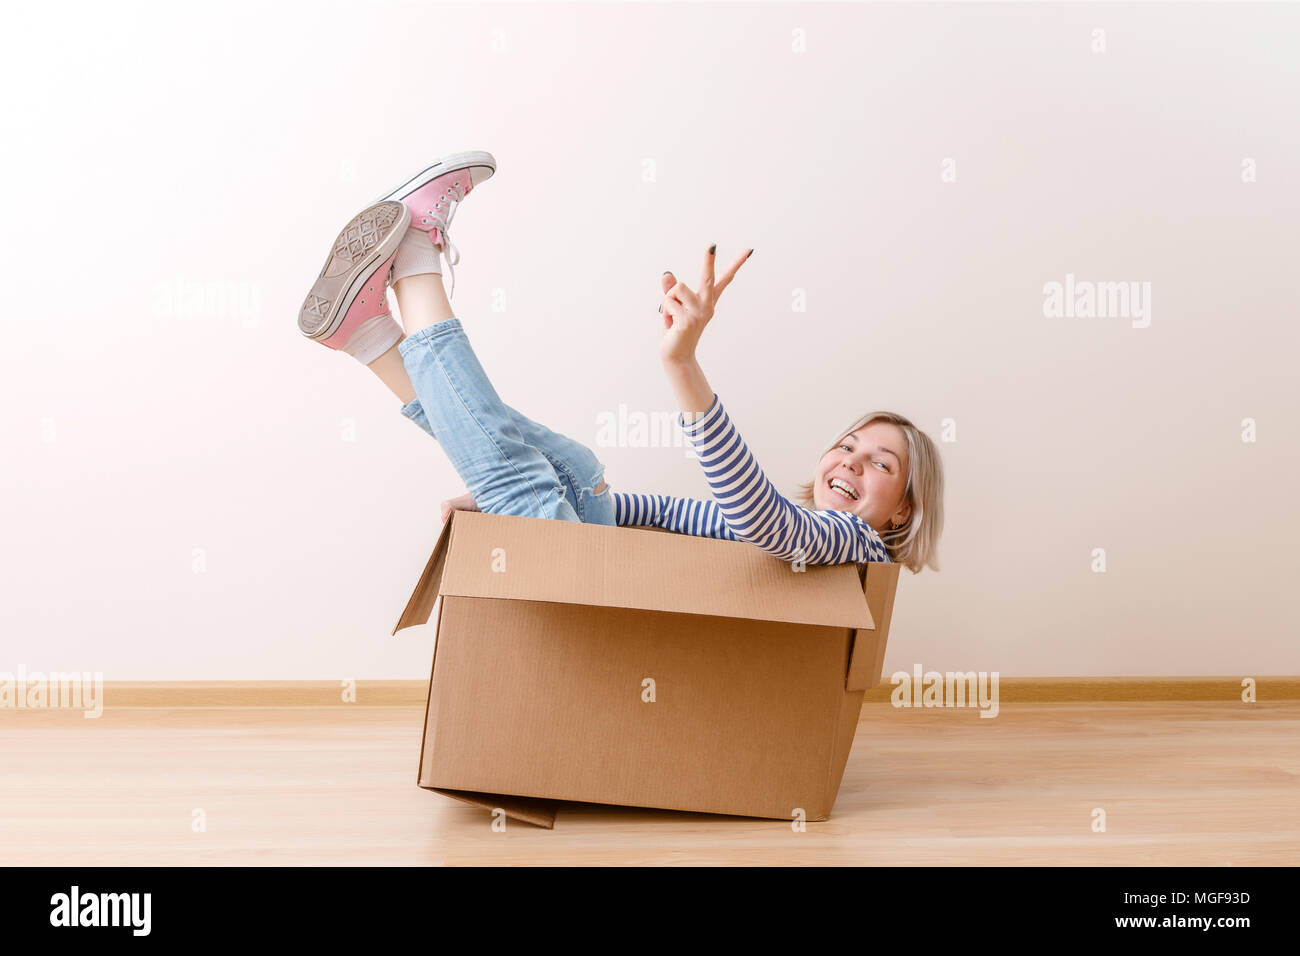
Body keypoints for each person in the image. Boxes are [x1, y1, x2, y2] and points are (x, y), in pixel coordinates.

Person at [298, 151, 944, 572]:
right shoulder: (813, 529)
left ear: (902, 513)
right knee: (571, 466)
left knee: (518, 478)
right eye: (849, 446)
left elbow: (764, 522)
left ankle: (416, 251)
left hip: (585, 608)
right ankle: (368, 338)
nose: (852, 462)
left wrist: (682, 363)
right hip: (598, 567)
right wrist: (512, 483)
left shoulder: (854, 547)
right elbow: (663, 515)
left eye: (881, 464)